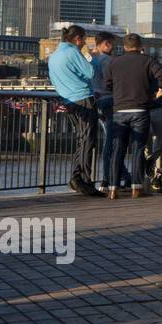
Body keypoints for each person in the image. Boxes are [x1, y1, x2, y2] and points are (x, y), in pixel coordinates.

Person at [104, 33, 162, 195]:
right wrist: (159, 90)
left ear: (124, 47)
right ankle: (136, 188)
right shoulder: (147, 60)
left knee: (118, 148)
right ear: (140, 46)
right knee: (138, 148)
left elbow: (107, 83)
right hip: (140, 110)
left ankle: (113, 188)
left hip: (119, 110)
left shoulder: (114, 62)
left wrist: (118, 92)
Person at [48, 24, 99, 197]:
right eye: (84, 39)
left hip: (68, 101)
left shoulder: (54, 56)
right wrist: (92, 58)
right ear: (78, 38)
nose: (85, 43)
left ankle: (77, 177)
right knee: (88, 141)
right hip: (84, 99)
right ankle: (84, 180)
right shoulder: (73, 52)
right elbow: (91, 72)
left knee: (81, 139)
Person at [89, 32, 117, 189]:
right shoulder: (108, 61)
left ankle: (117, 175)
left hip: (97, 100)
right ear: (106, 43)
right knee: (112, 140)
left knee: (109, 138)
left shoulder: (91, 59)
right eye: (112, 44)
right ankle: (108, 177)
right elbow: (111, 82)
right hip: (110, 100)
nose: (114, 47)